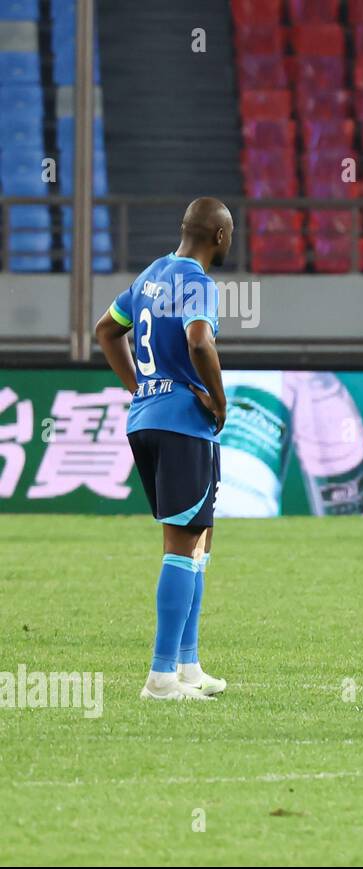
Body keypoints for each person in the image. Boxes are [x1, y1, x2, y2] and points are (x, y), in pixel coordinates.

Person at [93, 197, 232, 702]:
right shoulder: (198, 282)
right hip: (182, 425)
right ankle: (160, 677)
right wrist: (218, 400)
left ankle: (188, 664)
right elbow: (199, 341)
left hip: (148, 420)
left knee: (197, 538)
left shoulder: (152, 274)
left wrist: (140, 386)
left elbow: (106, 331)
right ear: (219, 237)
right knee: (182, 544)